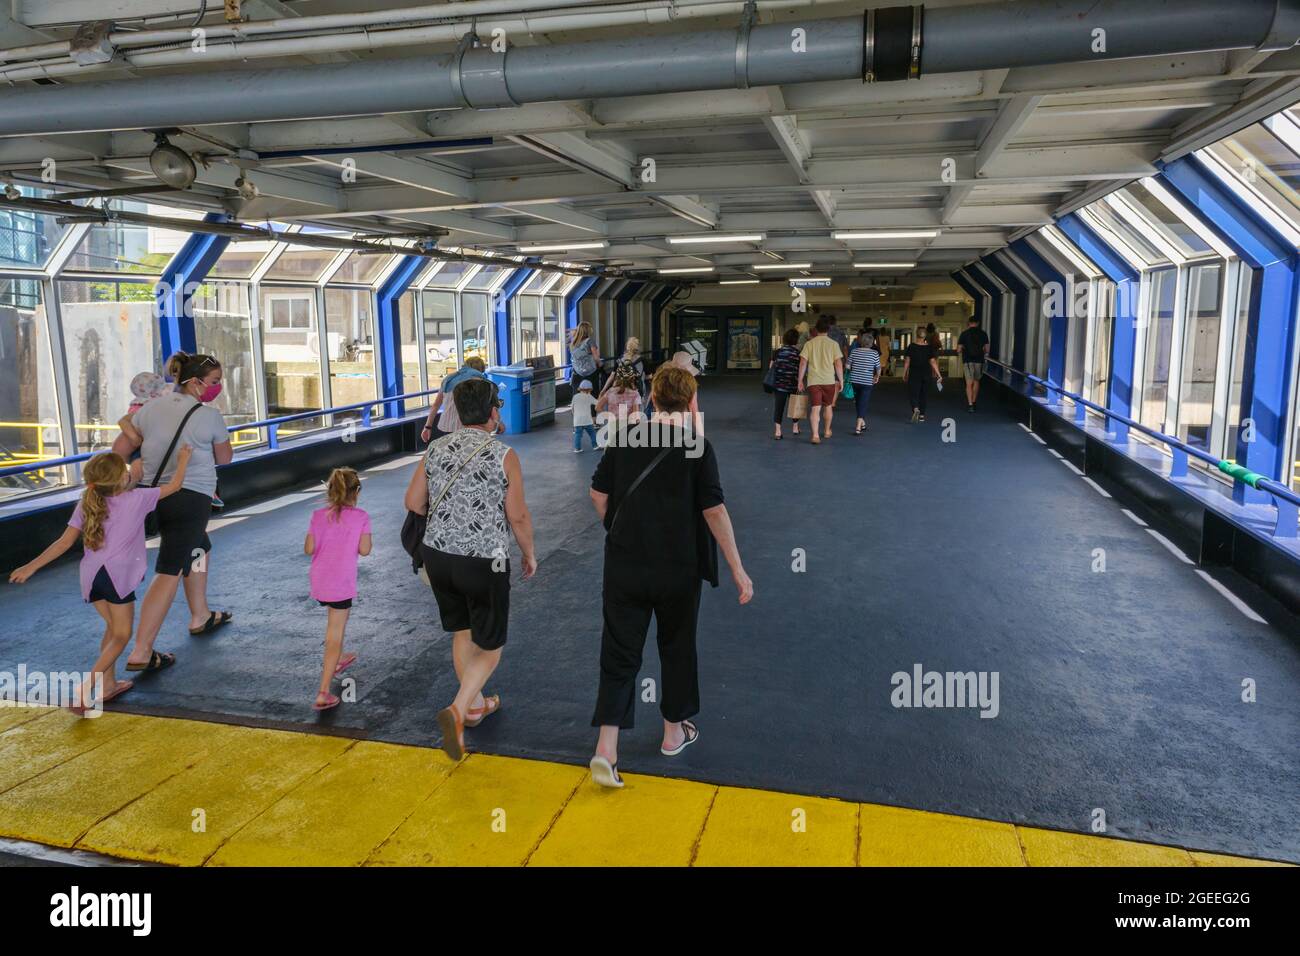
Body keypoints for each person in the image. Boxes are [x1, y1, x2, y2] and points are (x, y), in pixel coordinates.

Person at [587, 364, 752, 789]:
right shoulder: (698, 446)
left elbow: (598, 493)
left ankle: (607, 749)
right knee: (677, 646)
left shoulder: (624, 437)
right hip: (678, 569)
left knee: (620, 650)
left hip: (625, 565)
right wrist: (737, 568)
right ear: (693, 402)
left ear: (653, 398)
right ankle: (673, 733)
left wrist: (618, 530)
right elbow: (713, 510)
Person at [404, 378, 537, 761]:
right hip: (485, 559)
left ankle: (476, 704)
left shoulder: (436, 449)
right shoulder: (503, 455)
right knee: (491, 644)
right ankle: (460, 709)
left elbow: (414, 501)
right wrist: (529, 553)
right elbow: (518, 515)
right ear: (495, 411)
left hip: (438, 557)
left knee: (462, 630)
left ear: (459, 413)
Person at [9, 447, 192, 714]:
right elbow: (175, 486)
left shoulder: (87, 501)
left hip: (92, 576)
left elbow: (63, 543)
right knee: (122, 634)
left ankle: (108, 685)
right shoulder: (138, 498)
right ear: (120, 479)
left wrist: (31, 566)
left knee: (111, 628)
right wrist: (183, 459)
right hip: (117, 576)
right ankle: (86, 688)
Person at [114, 351, 234, 673]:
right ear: (195, 382)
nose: (217, 387)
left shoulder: (150, 408)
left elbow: (118, 451)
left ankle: (201, 614)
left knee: (199, 547)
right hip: (190, 497)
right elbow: (225, 459)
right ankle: (141, 650)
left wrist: (137, 466)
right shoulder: (209, 416)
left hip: (153, 495)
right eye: (213, 382)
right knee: (169, 569)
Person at [305, 467, 372, 711]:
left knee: (334, 618)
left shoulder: (317, 515)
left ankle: (340, 657)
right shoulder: (361, 516)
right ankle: (323, 691)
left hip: (319, 580)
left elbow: (309, 548)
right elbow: (365, 550)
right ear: (357, 492)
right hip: (341, 583)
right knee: (335, 631)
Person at [797, 317, 843, 444]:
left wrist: (800, 380)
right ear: (828, 329)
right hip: (829, 381)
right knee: (828, 406)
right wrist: (841, 380)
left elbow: (802, 363)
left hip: (813, 381)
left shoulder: (809, 344)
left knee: (815, 408)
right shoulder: (833, 344)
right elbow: (838, 364)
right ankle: (827, 431)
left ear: (816, 329)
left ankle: (815, 435)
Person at [421, 356, 487, 443]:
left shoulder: (449, 379)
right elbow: (484, 405)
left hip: (446, 426)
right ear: (480, 369)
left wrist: (427, 427)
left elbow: (436, 405)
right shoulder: (478, 380)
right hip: (466, 428)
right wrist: (497, 422)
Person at [769, 327, 802, 440]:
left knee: (779, 407)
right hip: (793, 383)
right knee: (795, 406)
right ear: (796, 340)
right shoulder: (798, 353)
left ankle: (778, 432)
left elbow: (771, 368)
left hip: (779, 384)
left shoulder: (777, 352)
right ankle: (795, 427)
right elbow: (801, 369)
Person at [903, 326, 941, 423]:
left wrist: (905, 373)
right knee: (924, 395)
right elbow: (933, 362)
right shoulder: (929, 347)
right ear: (925, 336)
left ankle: (915, 409)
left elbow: (907, 361)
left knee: (913, 393)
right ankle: (922, 416)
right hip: (927, 374)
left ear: (916, 334)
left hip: (914, 374)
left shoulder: (911, 346)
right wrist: (939, 374)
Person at [847, 331, 882, 435]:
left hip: (854, 380)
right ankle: (858, 427)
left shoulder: (854, 351)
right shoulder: (874, 353)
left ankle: (862, 423)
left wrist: (852, 370)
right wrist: (877, 376)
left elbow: (847, 366)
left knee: (858, 401)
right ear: (871, 343)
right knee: (863, 402)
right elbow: (878, 368)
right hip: (867, 381)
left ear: (861, 341)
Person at [957, 315, 991, 412]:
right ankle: (974, 401)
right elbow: (987, 350)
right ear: (978, 323)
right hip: (979, 361)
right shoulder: (983, 334)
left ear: (969, 323)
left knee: (969, 383)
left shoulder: (964, 334)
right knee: (976, 381)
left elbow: (958, 350)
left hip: (967, 361)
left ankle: (970, 405)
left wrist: (963, 348)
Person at [568, 321, 602, 392]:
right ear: (588, 330)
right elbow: (596, 358)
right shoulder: (590, 341)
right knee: (592, 395)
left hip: (577, 373)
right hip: (590, 374)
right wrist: (601, 365)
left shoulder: (573, 343)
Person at [571, 379, 600, 452]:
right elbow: (598, 403)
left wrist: (575, 416)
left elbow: (572, 408)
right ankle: (595, 446)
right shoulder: (589, 396)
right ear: (590, 389)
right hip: (587, 420)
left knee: (578, 435)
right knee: (592, 433)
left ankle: (577, 448)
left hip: (577, 420)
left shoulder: (575, 396)